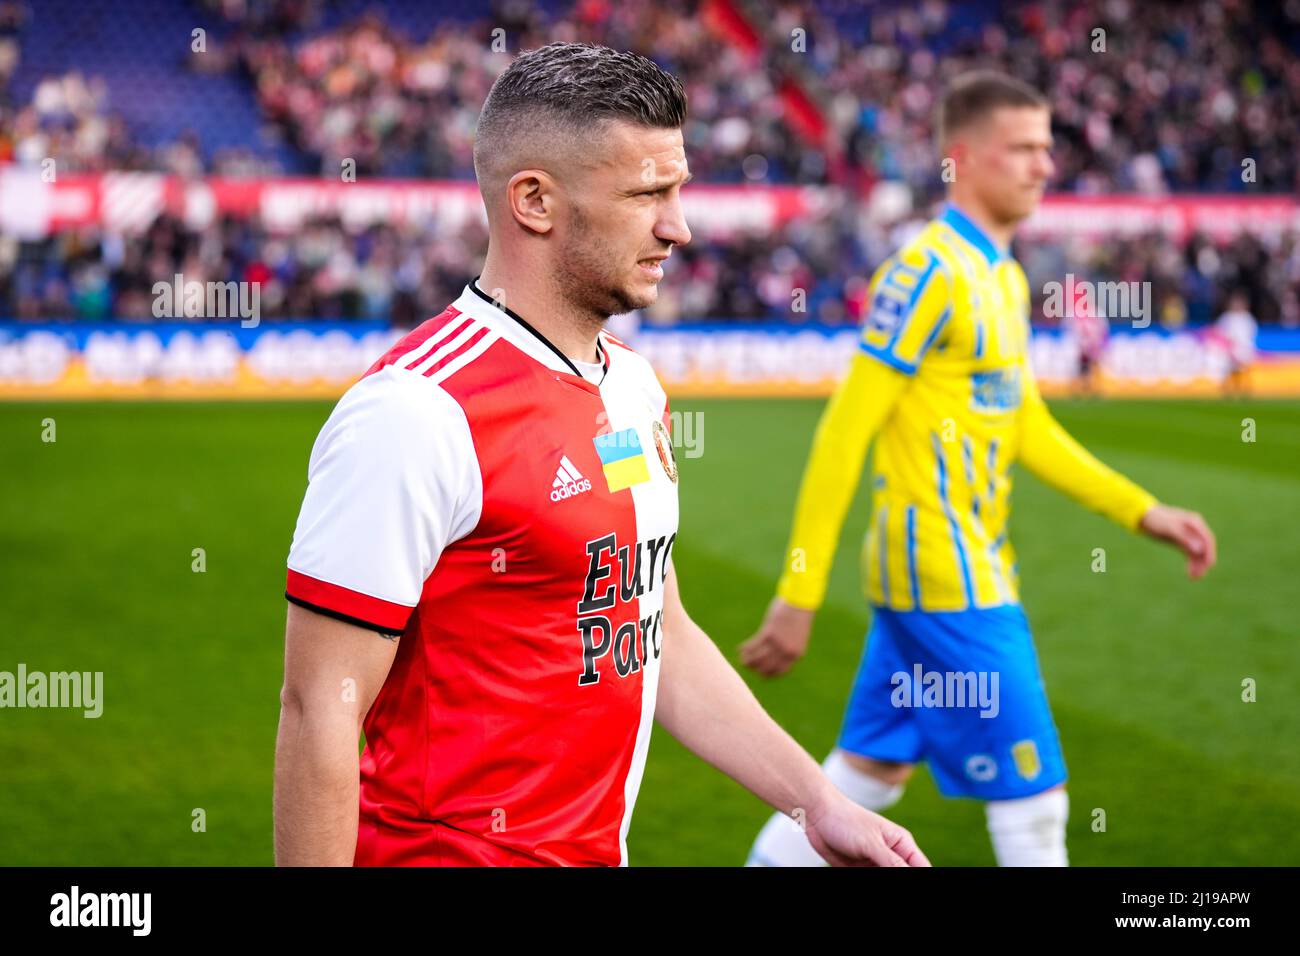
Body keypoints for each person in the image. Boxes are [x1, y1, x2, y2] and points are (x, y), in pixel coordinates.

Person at [273, 41, 927, 868]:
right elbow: (318, 710)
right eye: (648, 194)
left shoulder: (635, 390)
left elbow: (660, 632)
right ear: (536, 201)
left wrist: (819, 805)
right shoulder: (416, 413)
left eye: (678, 189)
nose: (678, 227)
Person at [741, 70, 1216, 867]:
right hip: (945, 573)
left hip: (951, 568)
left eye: (1048, 147)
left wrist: (1142, 510)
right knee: (1035, 799)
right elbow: (843, 431)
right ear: (962, 158)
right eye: (1022, 149)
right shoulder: (926, 271)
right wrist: (799, 589)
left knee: (865, 778)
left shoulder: (1002, 273)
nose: (1044, 165)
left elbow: (1025, 423)